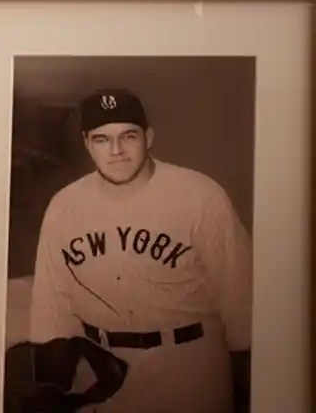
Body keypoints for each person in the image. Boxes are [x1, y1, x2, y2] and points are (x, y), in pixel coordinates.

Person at [25, 88, 252, 412]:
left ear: (148, 136)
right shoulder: (65, 205)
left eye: (127, 136)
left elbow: (241, 298)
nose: (116, 150)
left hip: (189, 369)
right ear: (87, 143)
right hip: (102, 371)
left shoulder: (200, 196)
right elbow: (51, 302)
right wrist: (51, 387)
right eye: (102, 139)